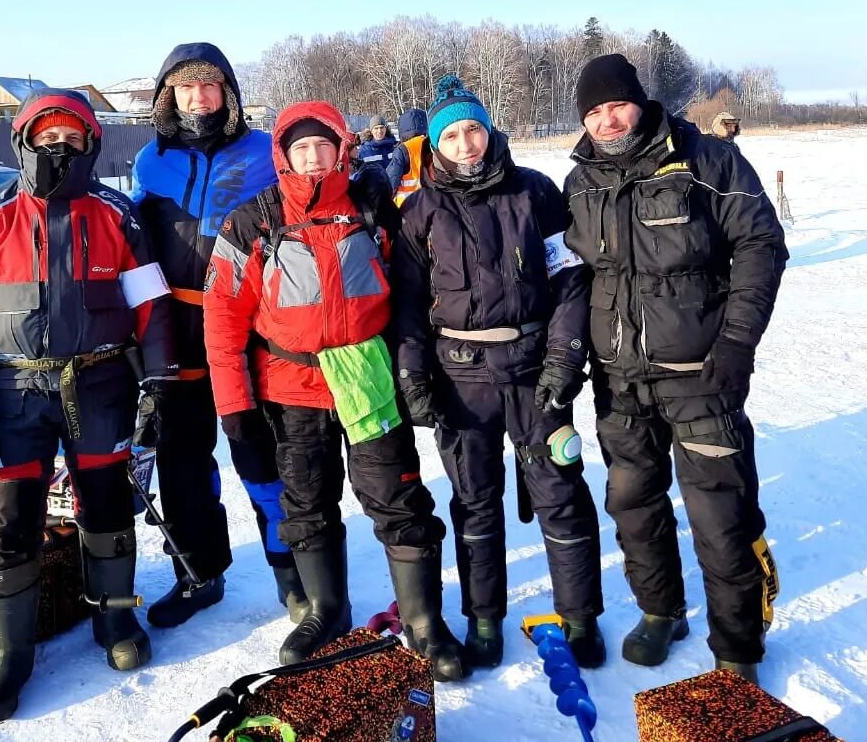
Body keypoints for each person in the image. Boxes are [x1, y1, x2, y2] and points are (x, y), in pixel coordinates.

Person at [0, 89, 175, 723]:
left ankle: (114, 619)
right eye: (47, 139)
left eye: (72, 139)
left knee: (107, 502)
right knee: (8, 515)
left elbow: (150, 305)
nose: (59, 149)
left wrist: (158, 383)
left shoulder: (118, 215)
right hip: (12, 393)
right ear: (23, 143)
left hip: (100, 386)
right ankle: (7, 654)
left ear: (92, 144)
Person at [204, 101, 469, 682]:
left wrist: (416, 369)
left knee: (399, 500)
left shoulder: (372, 210)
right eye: (300, 148)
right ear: (283, 156)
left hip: (369, 380)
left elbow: (411, 294)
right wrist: (235, 409)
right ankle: (326, 610)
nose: (312, 157)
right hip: (291, 388)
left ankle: (424, 621)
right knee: (306, 504)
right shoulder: (251, 222)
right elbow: (221, 322)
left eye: (322, 145)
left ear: (341, 148)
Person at [563, 54, 787, 685]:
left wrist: (736, 345)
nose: (608, 121)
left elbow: (762, 245)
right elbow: (572, 276)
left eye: (617, 106)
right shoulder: (579, 182)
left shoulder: (707, 160)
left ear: (641, 103)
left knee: (721, 515)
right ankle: (660, 611)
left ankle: (737, 646)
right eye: (594, 112)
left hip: (701, 373)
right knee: (634, 506)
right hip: (619, 380)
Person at [392, 75, 605, 670]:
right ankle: (483, 618)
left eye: (474, 130)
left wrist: (565, 357)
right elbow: (407, 304)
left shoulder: (535, 192)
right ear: (435, 144)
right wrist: (413, 375)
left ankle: (580, 616)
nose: (466, 144)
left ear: (490, 131)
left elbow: (570, 279)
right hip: (461, 378)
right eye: (451, 135)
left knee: (559, 490)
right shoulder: (419, 211)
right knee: (475, 501)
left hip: (536, 370)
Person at [130, 42, 306, 628]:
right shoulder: (150, 161)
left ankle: (293, 574)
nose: (198, 98)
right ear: (168, 96)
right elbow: (132, 243)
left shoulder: (264, 152)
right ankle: (198, 574)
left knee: (261, 455)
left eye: (209, 85)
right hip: (176, 328)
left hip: (248, 326)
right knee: (183, 462)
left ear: (228, 92)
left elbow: (310, 201)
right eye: (185, 87)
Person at [385, 107, 429, 206]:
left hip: (408, 206)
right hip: (431, 203)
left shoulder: (403, 149)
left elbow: (391, 181)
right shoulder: (433, 145)